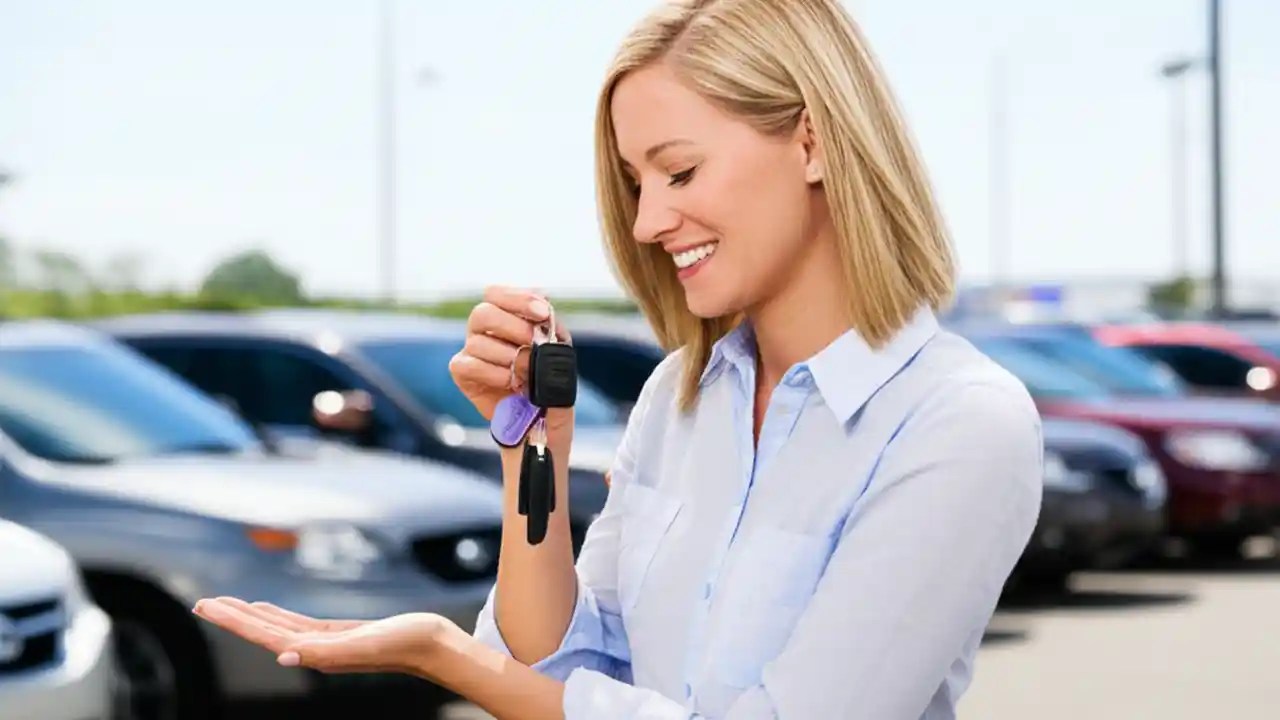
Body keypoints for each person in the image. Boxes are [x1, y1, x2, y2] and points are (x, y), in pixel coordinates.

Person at [192, 0, 1045, 717]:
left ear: (813, 142)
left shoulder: (961, 423)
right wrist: (535, 454)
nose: (646, 224)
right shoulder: (679, 395)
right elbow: (559, 667)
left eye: (678, 171)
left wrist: (447, 659)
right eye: (637, 184)